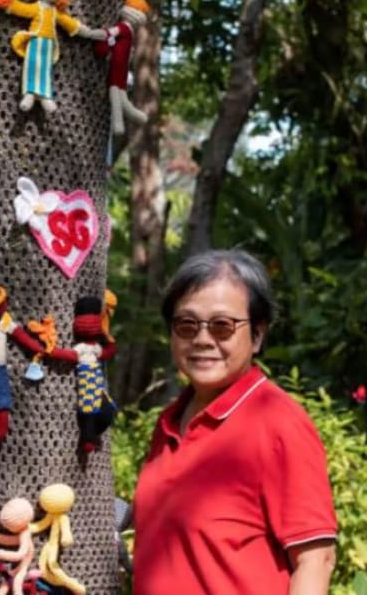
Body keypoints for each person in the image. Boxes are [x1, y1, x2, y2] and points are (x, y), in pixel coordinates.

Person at [132, 250, 337, 594]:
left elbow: (316, 560)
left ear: (257, 335)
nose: (202, 339)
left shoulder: (278, 422)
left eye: (222, 326)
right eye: (186, 325)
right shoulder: (169, 421)